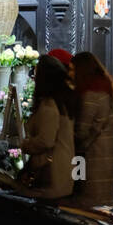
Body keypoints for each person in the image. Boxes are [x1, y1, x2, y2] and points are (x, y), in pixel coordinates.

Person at [21, 54, 77, 201]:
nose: (34, 77)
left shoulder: (49, 105)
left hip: (51, 172)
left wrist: (25, 145)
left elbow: (46, 140)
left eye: (36, 72)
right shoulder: (64, 102)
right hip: (64, 169)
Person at [71, 51, 113, 207]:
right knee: (101, 207)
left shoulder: (90, 95)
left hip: (90, 160)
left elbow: (81, 132)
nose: (70, 73)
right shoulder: (104, 89)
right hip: (102, 159)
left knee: (88, 206)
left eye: (72, 69)